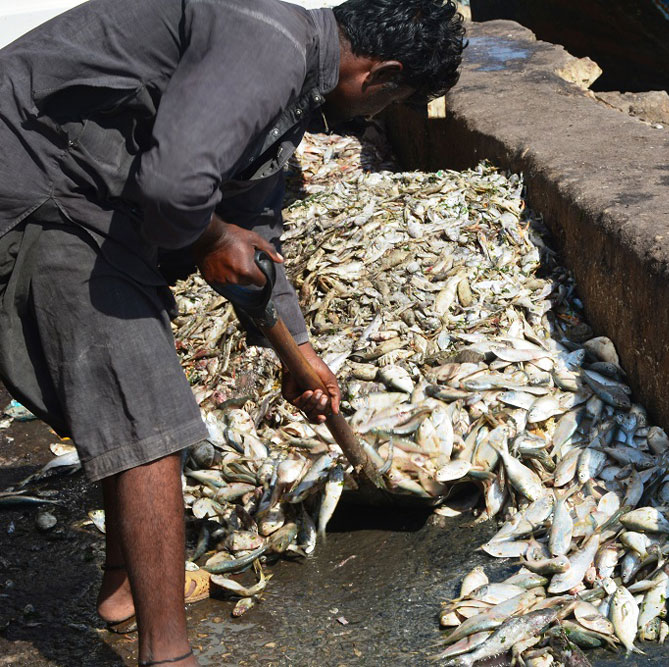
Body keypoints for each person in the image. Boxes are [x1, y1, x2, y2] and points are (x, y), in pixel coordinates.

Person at [0, 0, 465, 664]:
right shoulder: (268, 43)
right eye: (395, 102)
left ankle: (122, 586)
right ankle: (169, 654)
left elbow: (255, 234)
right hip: (37, 179)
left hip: (92, 197)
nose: (377, 118)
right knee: (146, 404)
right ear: (382, 75)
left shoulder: (292, 87)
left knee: (129, 387)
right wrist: (213, 234)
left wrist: (297, 352)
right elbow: (174, 189)